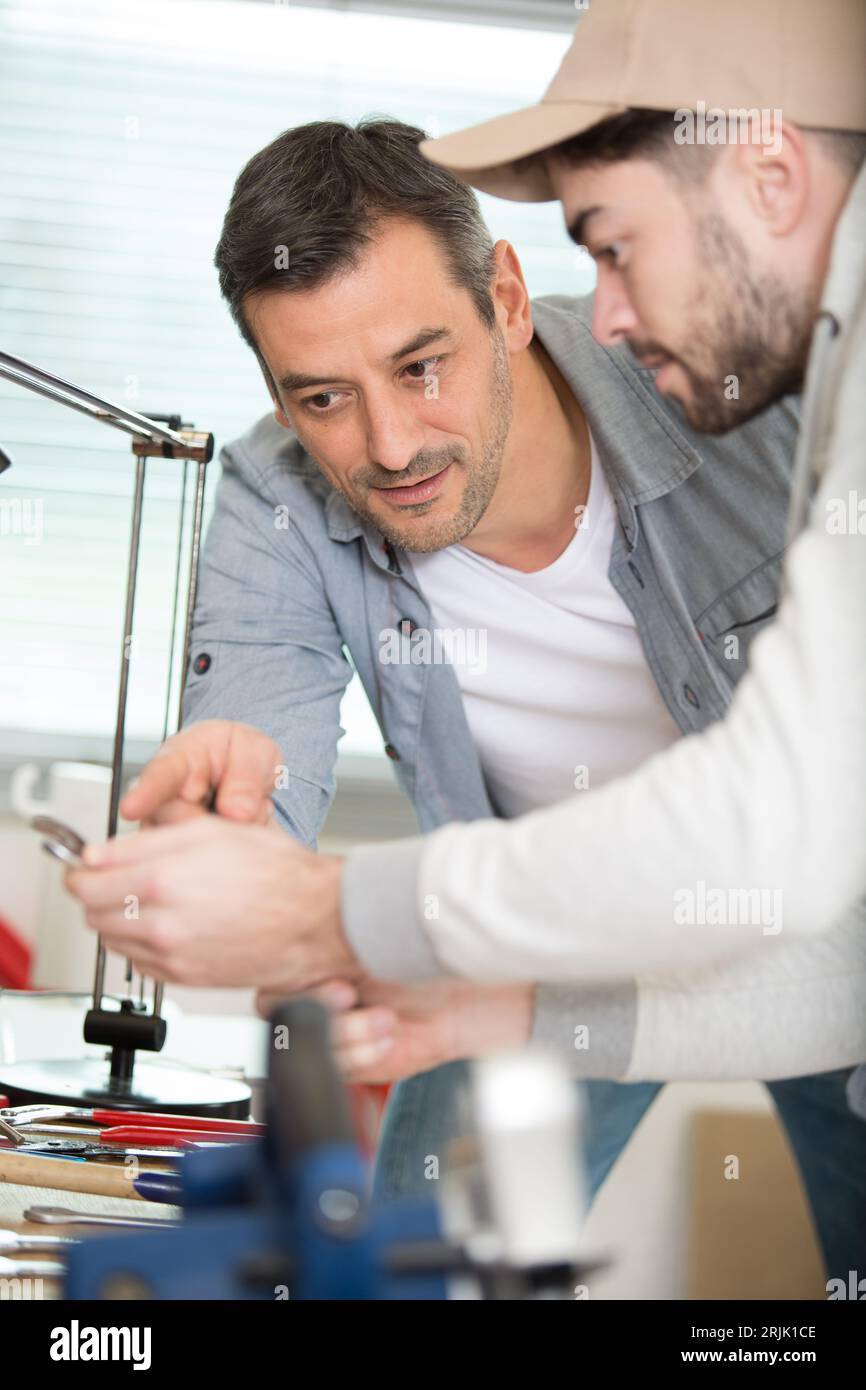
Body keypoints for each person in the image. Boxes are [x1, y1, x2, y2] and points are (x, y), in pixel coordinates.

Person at [67, 78, 866, 1279]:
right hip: (541, 927)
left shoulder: (734, 390)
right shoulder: (275, 495)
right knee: (413, 1266)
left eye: (420, 364)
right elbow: (254, 737)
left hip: (831, 914)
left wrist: (335, 905)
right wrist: (223, 812)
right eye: (321, 398)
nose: (387, 446)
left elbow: (797, 825)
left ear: (503, 297)